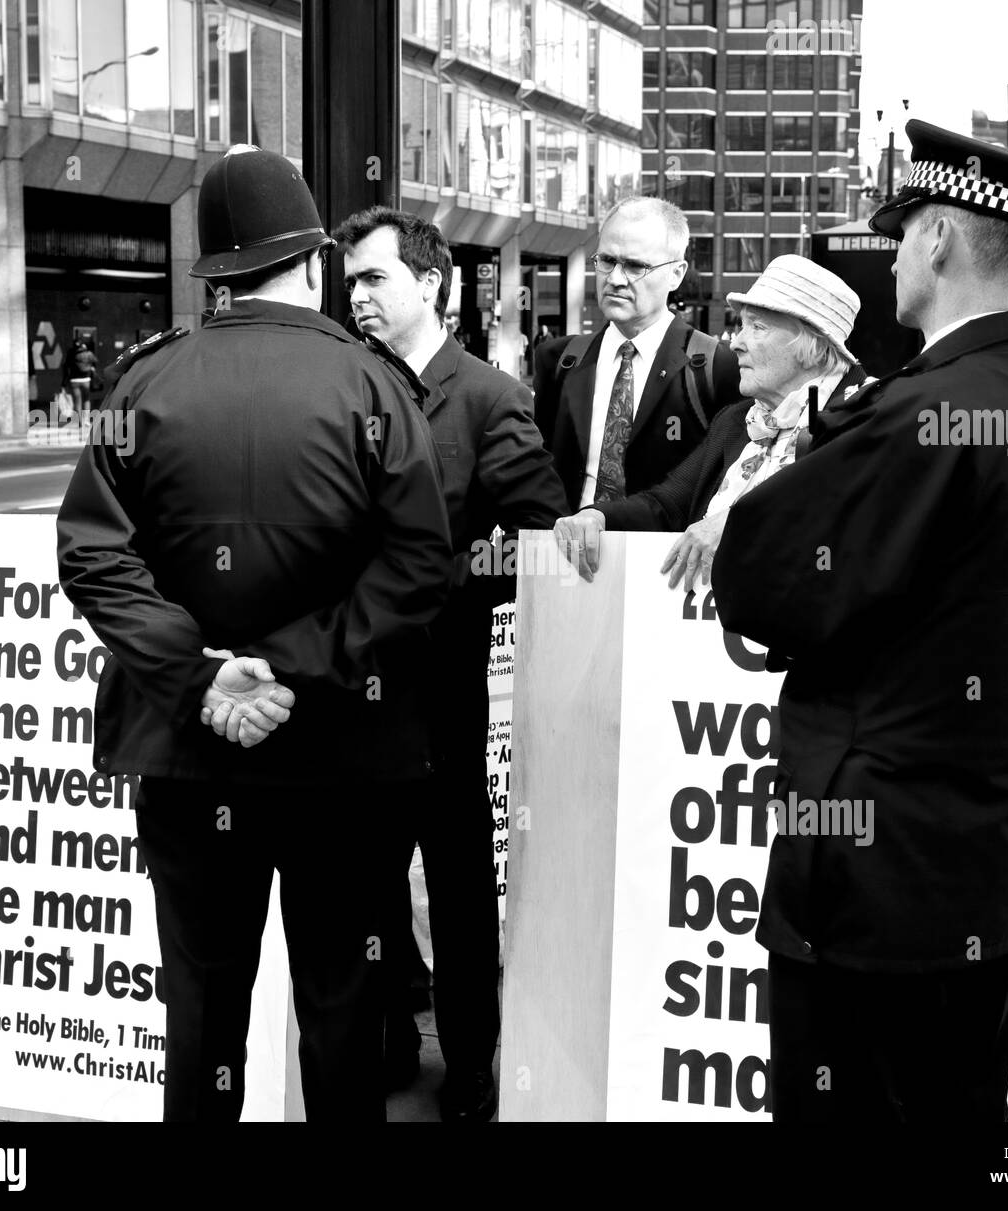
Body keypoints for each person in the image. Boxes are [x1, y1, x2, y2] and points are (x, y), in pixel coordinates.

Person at [709, 120, 1008, 1123]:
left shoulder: (922, 414)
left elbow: (760, 574)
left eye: (901, 233)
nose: (890, 254)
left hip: (870, 893)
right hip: (981, 877)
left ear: (938, 239)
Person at [56, 146, 453, 1123]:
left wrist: (204, 678)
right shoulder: (373, 386)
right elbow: (416, 567)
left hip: (193, 765)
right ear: (313, 257)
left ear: (214, 270)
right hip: (342, 759)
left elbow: (92, 554)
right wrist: (286, 664)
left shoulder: (138, 384)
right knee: (343, 1007)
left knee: (198, 1012)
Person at [333, 205, 568, 1121]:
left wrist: (464, 583)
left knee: (461, 893)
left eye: (375, 278)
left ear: (431, 284)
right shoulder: (341, 384)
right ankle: (393, 1035)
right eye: (349, 280)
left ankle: (471, 1064)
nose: (357, 296)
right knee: (366, 890)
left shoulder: (486, 396)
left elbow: (542, 530)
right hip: (349, 693)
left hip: (443, 700)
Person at [553, 256, 865, 590]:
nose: (737, 343)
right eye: (741, 325)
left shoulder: (863, 421)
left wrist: (738, 524)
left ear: (814, 346)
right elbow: (668, 503)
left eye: (758, 327)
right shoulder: (735, 421)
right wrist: (598, 516)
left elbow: (842, 523)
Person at [532, 196, 740, 511]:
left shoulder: (717, 367)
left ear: (676, 274)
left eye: (634, 266)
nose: (615, 279)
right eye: (607, 261)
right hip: (567, 549)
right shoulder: (558, 360)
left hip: (666, 553)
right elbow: (540, 470)